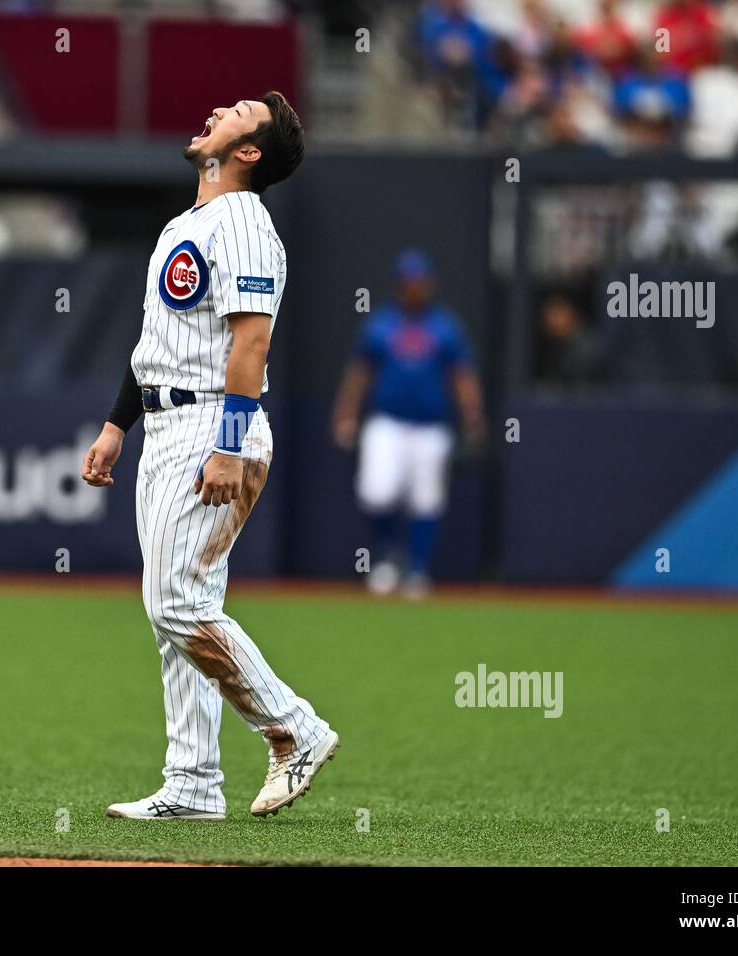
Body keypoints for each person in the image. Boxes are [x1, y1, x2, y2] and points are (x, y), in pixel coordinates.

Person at [80, 94, 338, 821]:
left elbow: (249, 344)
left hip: (213, 426)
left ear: (249, 152)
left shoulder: (245, 222)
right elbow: (154, 345)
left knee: (175, 601)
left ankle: (297, 730)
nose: (219, 109)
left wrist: (228, 445)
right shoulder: (186, 223)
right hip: (166, 425)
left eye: (239, 111)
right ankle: (193, 785)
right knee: (177, 614)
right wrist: (116, 425)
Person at [331, 250, 484, 597]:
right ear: (399, 285)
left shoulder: (445, 326)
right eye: (409, 282)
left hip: (431, 425)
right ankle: (386, 558)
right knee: (377, 491)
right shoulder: (380, 324)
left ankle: (417, 569)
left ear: (429, 284)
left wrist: (473, 418)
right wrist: (346, 413)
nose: (415, 288)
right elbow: (359, 373)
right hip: (387, 421)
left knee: (427, 499)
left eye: (420, 282)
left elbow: (462, 376)